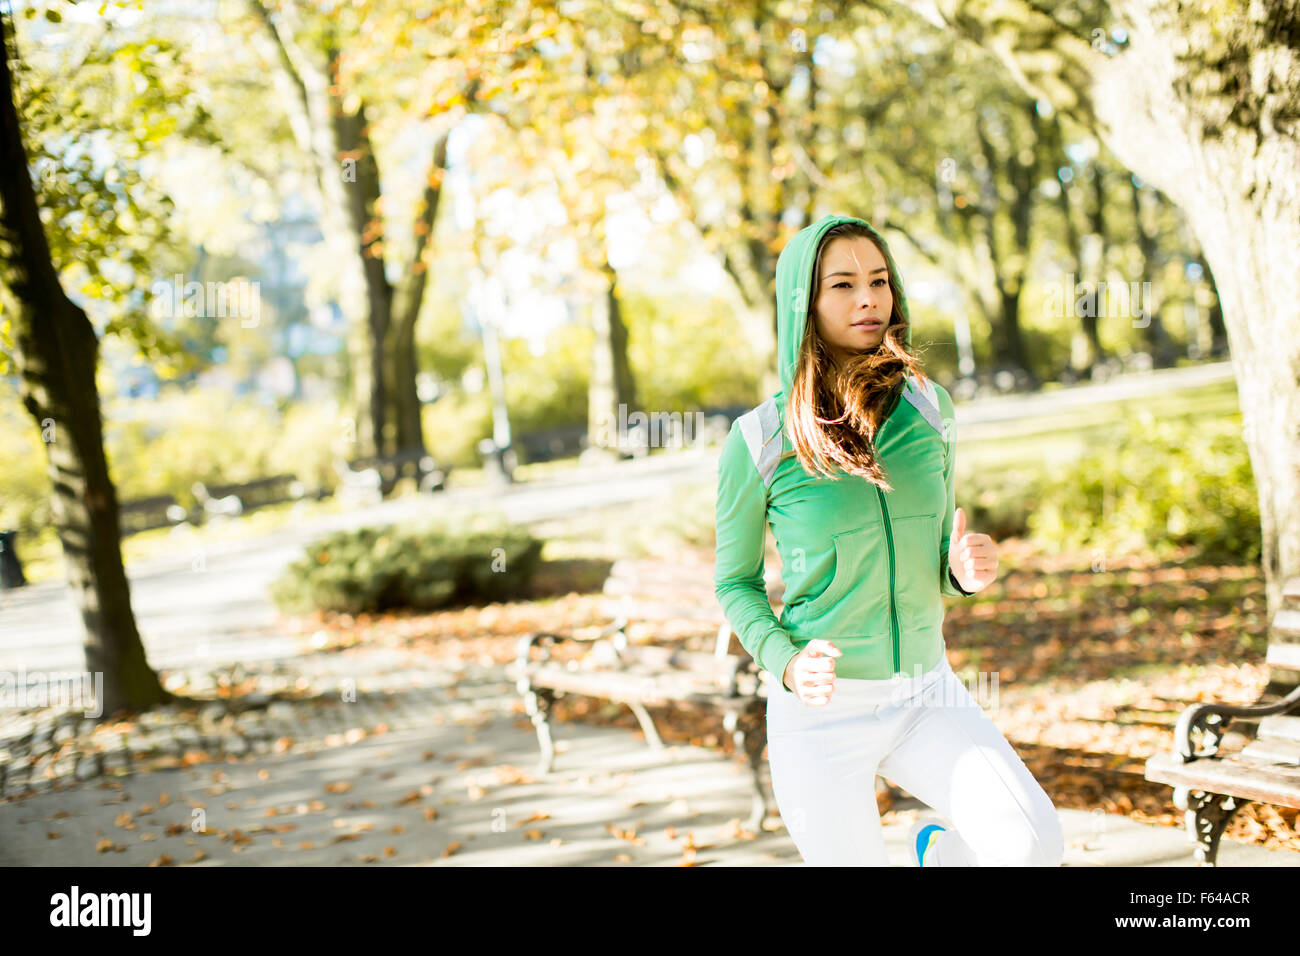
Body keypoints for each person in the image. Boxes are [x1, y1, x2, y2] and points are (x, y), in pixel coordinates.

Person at [713, 214, 1064, 867]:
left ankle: (934, 853)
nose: (868, 298)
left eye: (879, 280)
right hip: (820, 711)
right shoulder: (759, 440)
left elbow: (936, 551)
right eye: (842, 285)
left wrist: (960, 569)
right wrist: (784, 661)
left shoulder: (931, 410)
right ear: (805, 304)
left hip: (925, 691)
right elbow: (734, 582)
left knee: (1033, 845)